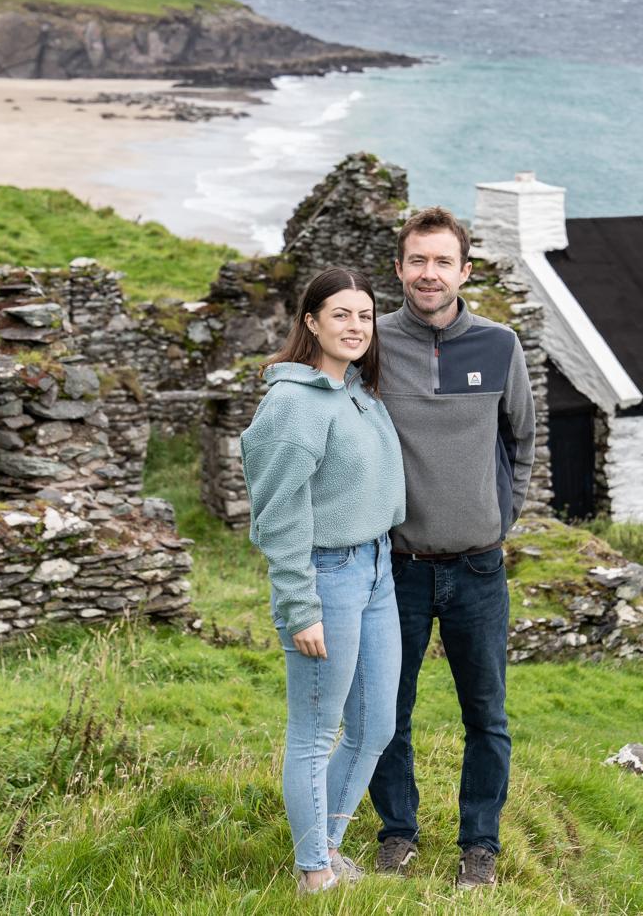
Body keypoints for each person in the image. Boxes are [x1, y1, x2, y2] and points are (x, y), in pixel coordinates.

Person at [367, 207, 536, 890]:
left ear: (465, 271)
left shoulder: (500, 345)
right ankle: (398, 834)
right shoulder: (371, 342)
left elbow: (522, 441)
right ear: (401, 268)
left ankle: (480, 846)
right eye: (417, 260)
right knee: (385, 710)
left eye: (442, 262)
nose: (428, 274)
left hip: (477, 568)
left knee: (486, 717)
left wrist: (502, 516)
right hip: (396, 568)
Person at [240, 267, 407, 895]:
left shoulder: (356, 391)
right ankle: (314, 873)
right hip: (325, 577)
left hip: (376, 571)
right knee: (315, 732)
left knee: (376, 725)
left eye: (364, 315)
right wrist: (299, 604)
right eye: (341, 314)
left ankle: (329, 847)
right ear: (311, 322)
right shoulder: (292, 403)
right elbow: (279, 514)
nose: (355, 326)